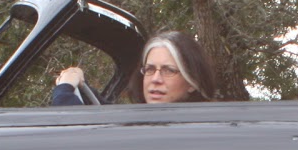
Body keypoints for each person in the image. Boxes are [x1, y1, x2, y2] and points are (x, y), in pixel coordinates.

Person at [52, 30, 218, 105]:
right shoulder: (146, 122)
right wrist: (78, 79)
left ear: (191, 82)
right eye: (150, 69)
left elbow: (74, 133)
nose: (155, 79)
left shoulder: (187, 130)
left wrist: (64, 90)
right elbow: (110, 116)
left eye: (168, 70)